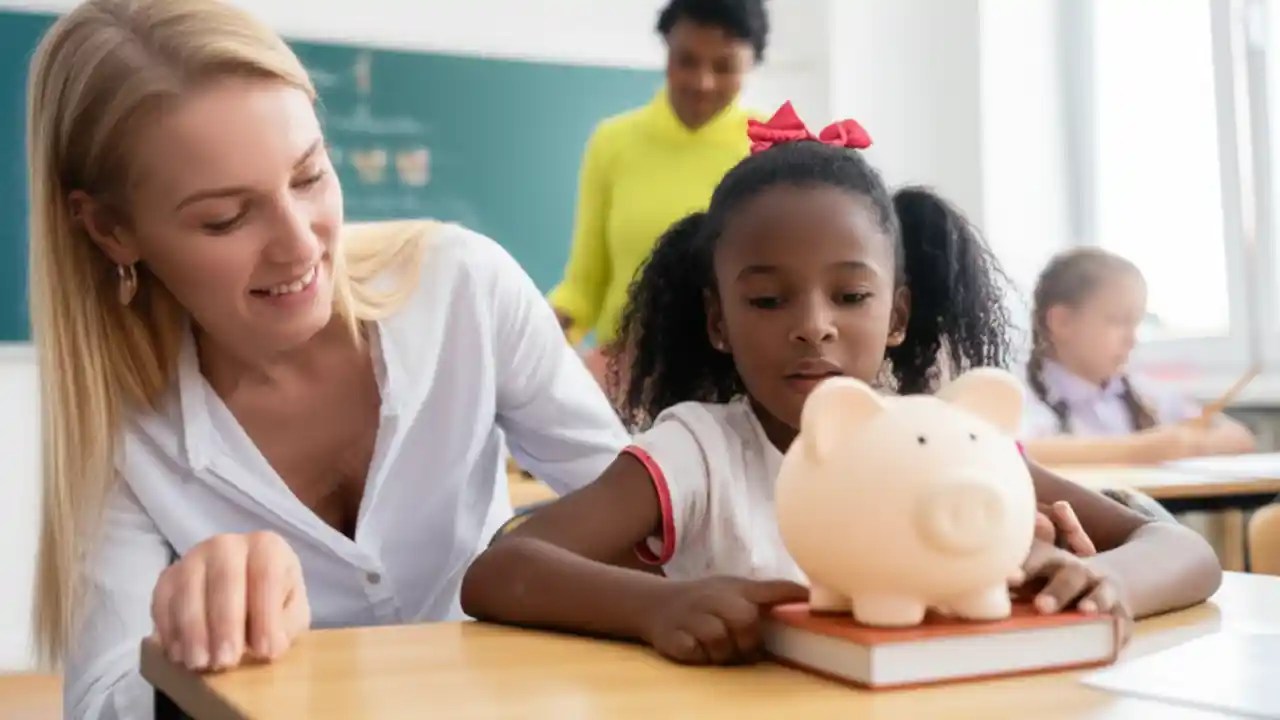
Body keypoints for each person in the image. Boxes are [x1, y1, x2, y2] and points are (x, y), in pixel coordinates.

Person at [26, 1, 628, 717]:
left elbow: (655, 521)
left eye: (309, 176)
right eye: (226, 218)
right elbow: (99, 704)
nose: (300, 245)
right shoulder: (124, 430)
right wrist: (188, 655)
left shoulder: (463, 292)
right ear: (111, 230)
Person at [460, 104, 1224, 664]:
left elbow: (1180, 551)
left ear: (895, 314)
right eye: (766, 300)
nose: (813, 325)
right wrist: (660, 606)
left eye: (851, 297)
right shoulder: (698, 449)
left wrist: (1099, 582)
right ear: (718, 320)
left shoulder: (941, 441)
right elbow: (502, 570)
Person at [548, 0, 768, 395]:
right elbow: (584, 288)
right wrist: (529, 344)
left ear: (751, 64)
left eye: (724, 66)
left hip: (733, 385)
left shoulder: (771, 146)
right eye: (687, 60)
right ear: (667, 51)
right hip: (623, 381)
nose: (702, 81)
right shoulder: (613, 142)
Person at [1020, 247, 1256, 466]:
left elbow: (1240, 438)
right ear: (1062, 322)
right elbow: (1019, 451)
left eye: (1136, 323)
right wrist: (1146, 449)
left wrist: (1189, 444)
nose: (1132, 340)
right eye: (1118, 321)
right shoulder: (1019, 396)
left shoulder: (1143, 393)